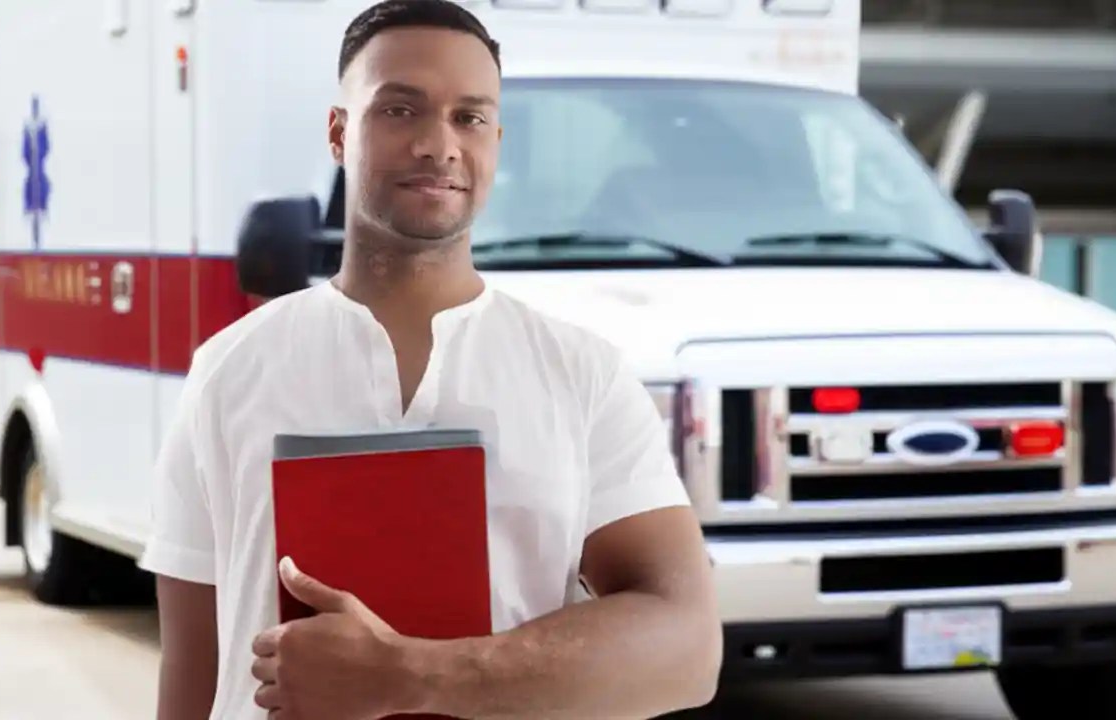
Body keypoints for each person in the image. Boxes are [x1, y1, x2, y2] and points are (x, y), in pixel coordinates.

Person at [137, 1, 723, 718]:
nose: (438, 144)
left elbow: (688, 648)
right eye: (399, 110)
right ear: (337, 131)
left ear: (496, 141)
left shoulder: (583, 375)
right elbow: (193, 668)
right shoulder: (227, 372)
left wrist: (410, 675)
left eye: (468, 117)